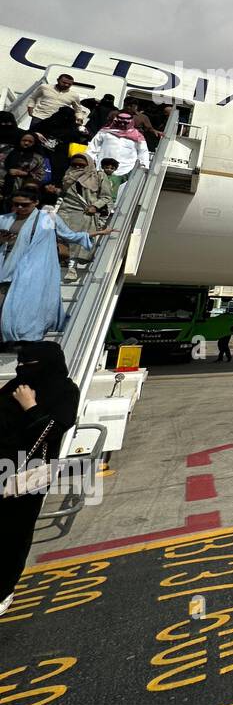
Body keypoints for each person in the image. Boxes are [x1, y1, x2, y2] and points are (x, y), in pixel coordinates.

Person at [0, 341, 80, 616]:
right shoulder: (14, 386)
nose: (22, 369)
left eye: (28, 364)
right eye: (20, 363)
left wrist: (30, 406)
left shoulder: (65, 390)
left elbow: (54, 428)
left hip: (29, 471)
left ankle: (4, 590)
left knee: (14, 532)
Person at [0, 185, 114, 342]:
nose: (19, 208)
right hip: (5, 267)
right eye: (16, 204)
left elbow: (69, 235)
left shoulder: (46, 218)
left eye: (24, 204)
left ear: (36, 203)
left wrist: (99, 232)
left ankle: (24, 338)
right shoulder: (4, 219)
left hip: (33, 269)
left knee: (25, 306)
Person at [57, 154, 113, 280]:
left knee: (79, 238)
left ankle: (73, 267)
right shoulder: (68, 175)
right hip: (66, 209)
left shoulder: (99, 176)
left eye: (81, 165)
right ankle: (63, 260)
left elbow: (106, 197)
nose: (77, 167)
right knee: (62, 236)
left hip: (86, 211)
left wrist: (95, 206)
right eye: (74, 164)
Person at [86, 111, 151, 178]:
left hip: (125, 172)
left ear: (131, 123)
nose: (122, 124)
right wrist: (87, 160)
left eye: (125, 123)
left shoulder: (138, 137)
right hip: (101, 170)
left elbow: (143, 152)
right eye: (119, 122)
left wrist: (144, 166)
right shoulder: (104, 132)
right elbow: (93, 147)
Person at [2, 133, 53, 209]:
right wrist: (7, 172)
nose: (26, 143)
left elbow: (41, 177)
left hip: (22, 195)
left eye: (30, 141)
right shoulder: (7, 151)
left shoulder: (38, 158)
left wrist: (25, 174)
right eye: (24, 140)